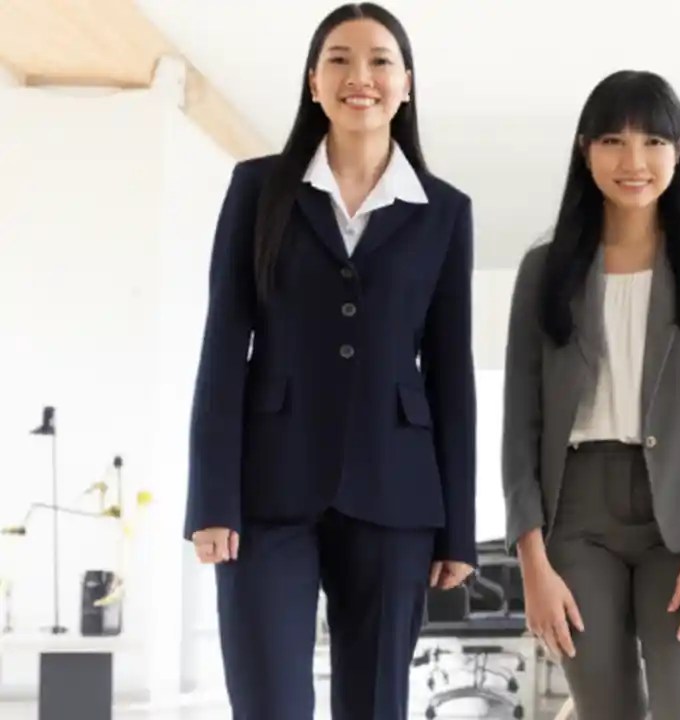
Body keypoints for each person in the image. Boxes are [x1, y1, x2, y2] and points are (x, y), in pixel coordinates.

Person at [183, 4, 476, 718]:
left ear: (406, 84)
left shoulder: (442, 211)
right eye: (339, 60)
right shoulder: (260, 190)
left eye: (380, 60)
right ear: (313, 83)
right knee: (270, 703)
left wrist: (457, 528)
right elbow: (224, 344)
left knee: (376, 706)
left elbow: (449, 371)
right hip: (266, 490)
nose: (360, 77)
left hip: (395, 494)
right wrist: (211, 501)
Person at [501, 70, 680, 720]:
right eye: (613, 140)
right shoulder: (545, 268)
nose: (634, 161)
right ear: (585, 150)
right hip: (577, 520)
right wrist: (532, 561)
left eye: (653, 141)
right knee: (606, 711)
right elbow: (520, 425)